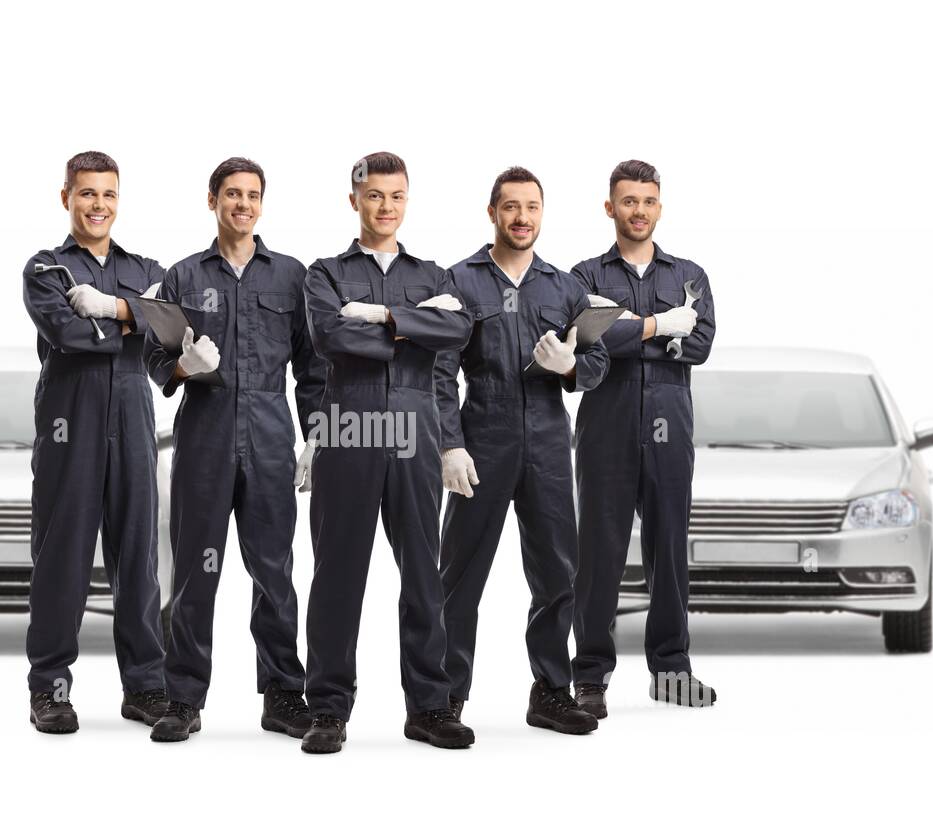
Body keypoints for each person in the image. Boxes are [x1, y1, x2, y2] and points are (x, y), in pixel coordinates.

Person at [299, 151, 474, 754]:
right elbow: (332, 336)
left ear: (407, 201)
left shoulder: (432, 275)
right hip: (348, 427)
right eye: (374, 196)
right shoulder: (323, 273)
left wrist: (382, 317)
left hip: (416, 430)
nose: (385, 207)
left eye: (396, 196)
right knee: (337, 575)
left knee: (424, 575)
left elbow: (458, 331)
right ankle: (326, 709)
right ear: (354, 200)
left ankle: (429, 707)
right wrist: (413, 328)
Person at [145, 157, 325, 743]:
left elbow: (313, 368)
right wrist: (180, 366)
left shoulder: (292, 277)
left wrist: (317, 436)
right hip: (204, 436)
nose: (242, 204)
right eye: (231, 194)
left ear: (262, 204)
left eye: (252, 195)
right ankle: (183, 698)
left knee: (274, 570)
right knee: (198, 571)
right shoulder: (181, 277)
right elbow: (154, 361)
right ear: (212, 200)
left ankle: (282, 694)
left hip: (271, 436)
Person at [435, 167, 608, 734]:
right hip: (483, 436)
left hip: (550, 443)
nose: (522, 218)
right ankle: (445, 696)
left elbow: (599, 358)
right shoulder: (460, 281)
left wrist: (572, 367)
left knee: (559, 571)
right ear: (492, 213)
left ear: (542, 213)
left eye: (532, 207)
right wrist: (450, 446)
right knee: (460, 575)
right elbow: (438, 372)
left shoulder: (563, 287)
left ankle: (551, 691)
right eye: (511, 207)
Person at [22, 150, 169, 734]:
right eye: (86, 194)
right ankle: (50, 691)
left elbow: (172, 324)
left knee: (138, 558)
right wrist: (136, 319)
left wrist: (114, 311)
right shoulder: (46, 269)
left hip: (134, 422)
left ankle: (146, 687)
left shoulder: (147, 265)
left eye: (107, 194)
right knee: (63, 559)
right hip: (70, 427)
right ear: (66, 198)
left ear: (119, 200)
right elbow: (66, 332)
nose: (98, 205)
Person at [569, 159, 718, 717]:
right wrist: (661, 326)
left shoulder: (689, 274)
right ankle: (589, 677)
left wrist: (628, 327)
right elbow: (587, 341)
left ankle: (672, 670)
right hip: (605, 428)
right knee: (598, 554)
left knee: (669, 549)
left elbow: (700, 342)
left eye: (648, 201)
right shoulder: (584, 276)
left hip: (668, 427)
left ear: (660, 206)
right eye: (628, 201)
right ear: (610, 207)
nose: (639, 211)